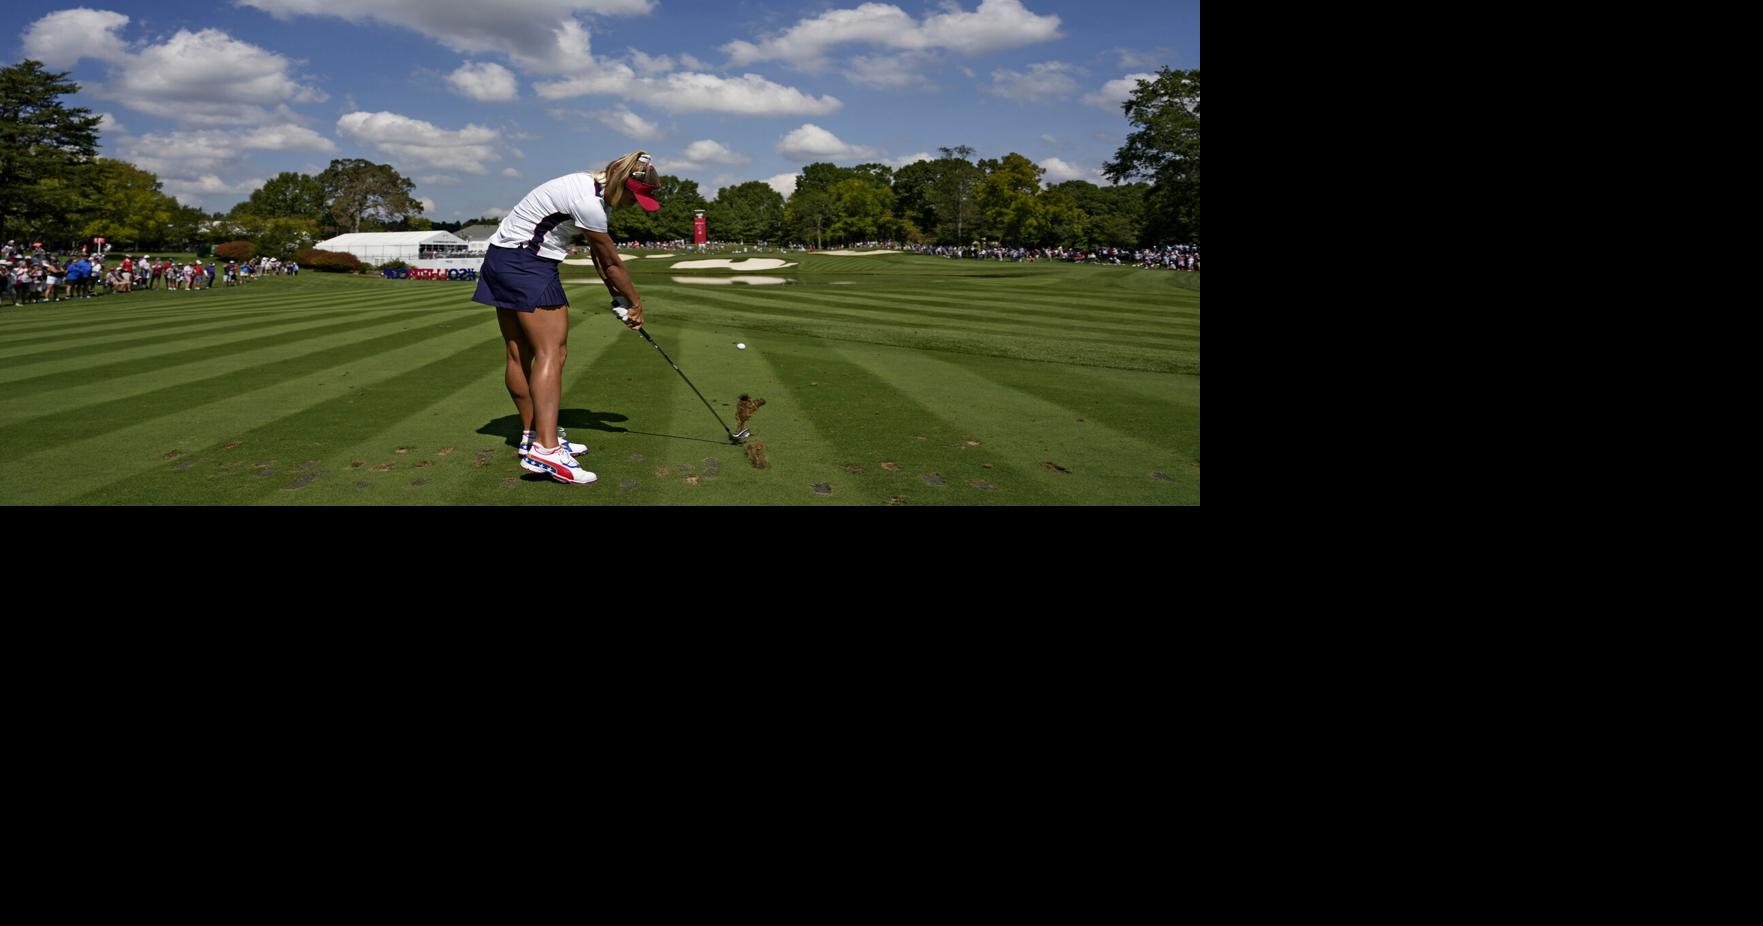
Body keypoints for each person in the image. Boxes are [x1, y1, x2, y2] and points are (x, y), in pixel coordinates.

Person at [472, 150, 661, 486]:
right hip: (530, 265)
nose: (635, 205)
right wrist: (635, 302)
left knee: (519, 354)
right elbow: (613, 262)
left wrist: (617, 297)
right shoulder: (590, 203)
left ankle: (533, 437)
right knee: (552, 353)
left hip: (500, 260)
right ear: (621, 185)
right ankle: (547, 450)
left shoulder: (583, 185)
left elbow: (601, 263)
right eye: (635, 198)